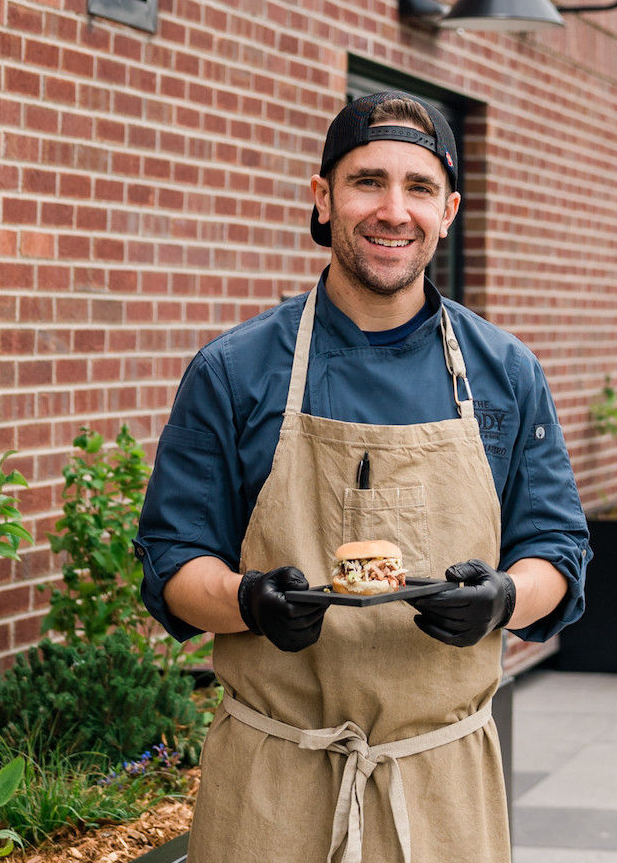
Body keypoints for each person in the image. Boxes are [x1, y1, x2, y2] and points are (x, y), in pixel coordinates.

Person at [135, 90, 590, 863]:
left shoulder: (505, 373)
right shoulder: (235, 370)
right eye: (367, 181)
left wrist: (502, 599)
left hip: (441, 787)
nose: (393, 210)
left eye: (418, 188)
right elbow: (173, 562)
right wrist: (247, 601)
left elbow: (558, 550)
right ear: (323, 199)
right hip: (271, 788)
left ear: (448, 211)